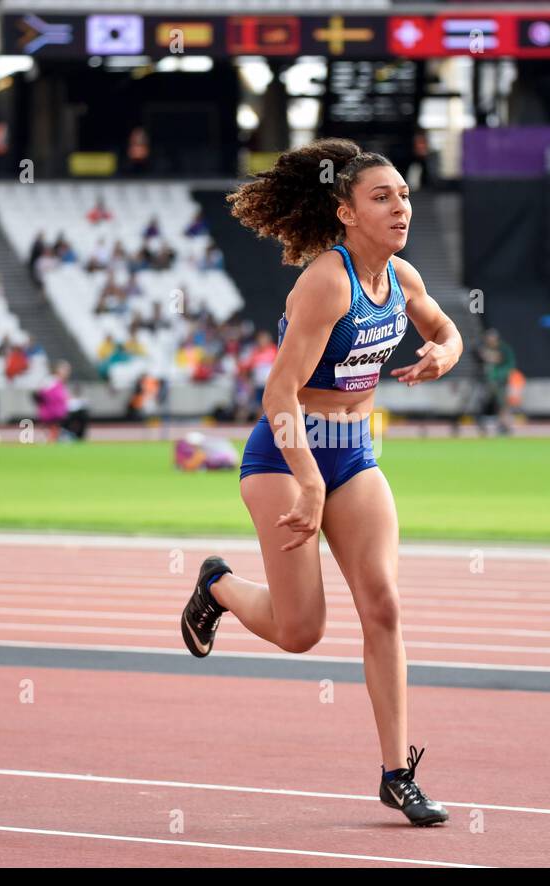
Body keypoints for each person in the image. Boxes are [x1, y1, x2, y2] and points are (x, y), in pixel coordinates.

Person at [180, 138, 462, 826]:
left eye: (403, 195)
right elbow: (279, 393)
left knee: (385, 605)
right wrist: (305, 481)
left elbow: (445, 328)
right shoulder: (325, 283)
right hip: (286, 454)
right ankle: (217, 585)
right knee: (301, 629)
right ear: (345, 212)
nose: (400, 206)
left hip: (354, 452)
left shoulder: (403, 277)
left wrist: (443, 354)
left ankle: (397, 773)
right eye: (382, 197)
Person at [477, 328, 516, 435]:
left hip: (501, 382)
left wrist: (499, 375)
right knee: (485, 403)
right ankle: (484, 426)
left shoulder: (504, 349)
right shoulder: (485, 348)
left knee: (502, 403)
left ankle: (505, 425)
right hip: (488, 381)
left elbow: (509, 365)